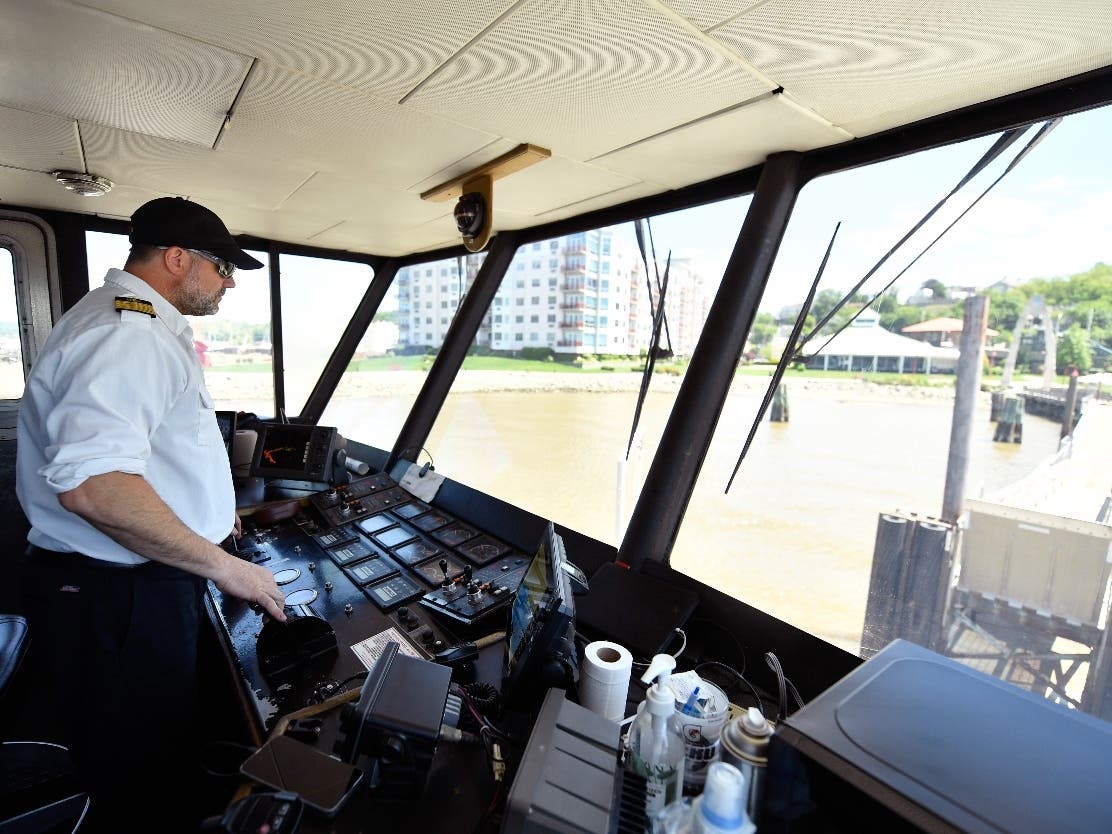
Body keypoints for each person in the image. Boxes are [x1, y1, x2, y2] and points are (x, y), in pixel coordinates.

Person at [15, 197, 287, 832]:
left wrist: (214, 516)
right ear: (176, 259)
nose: (229, 283)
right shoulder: (128, 335)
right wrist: (223, 564)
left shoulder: (133, 324)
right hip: (120, 592)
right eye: (222, 268)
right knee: (140, 756)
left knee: (150, 738)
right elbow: (95, 486)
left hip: (126, 579)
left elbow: (155, 453)